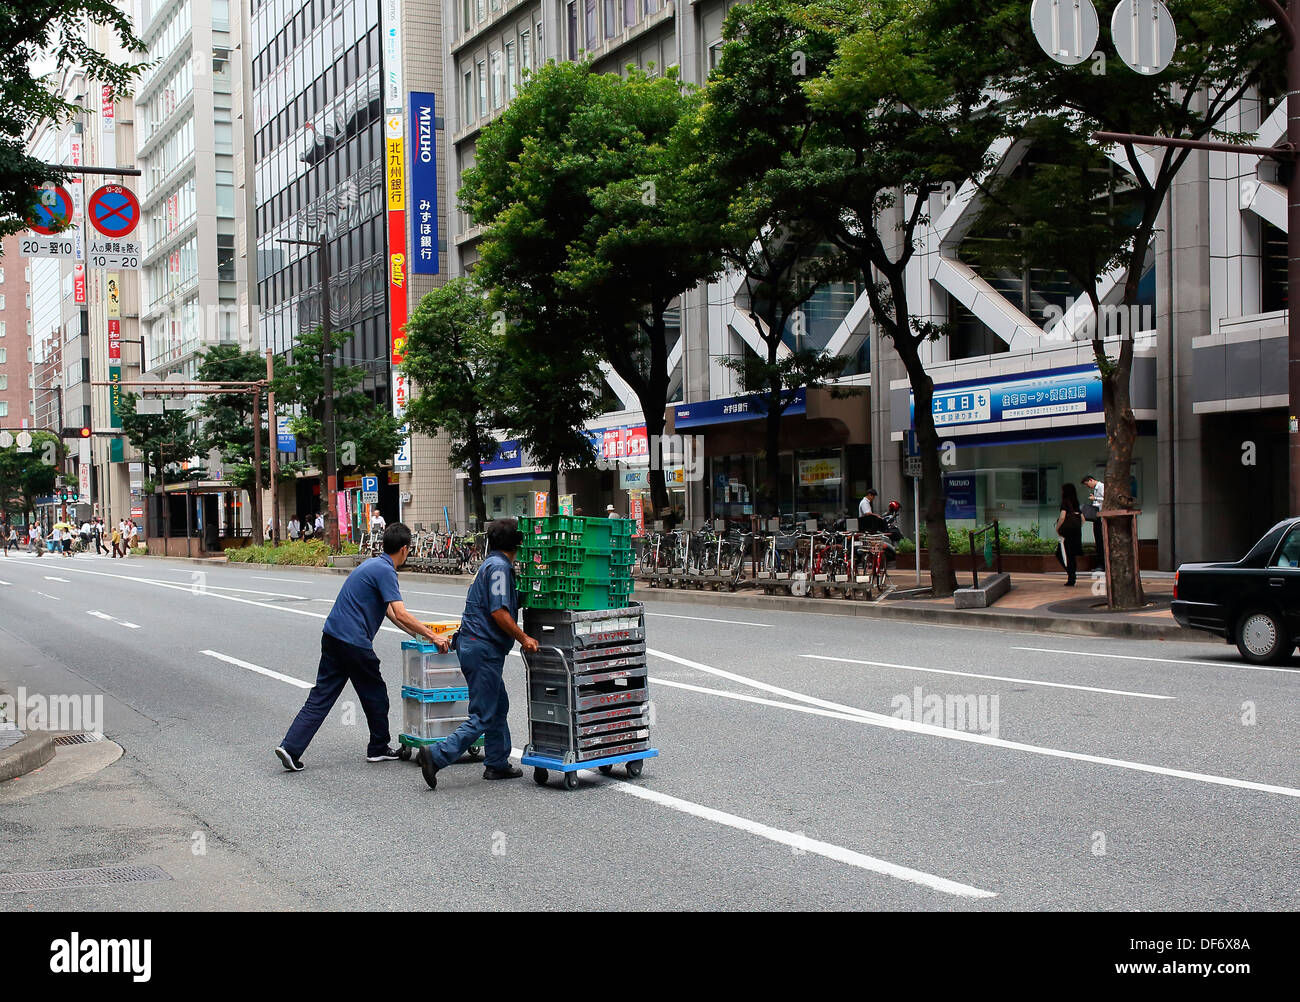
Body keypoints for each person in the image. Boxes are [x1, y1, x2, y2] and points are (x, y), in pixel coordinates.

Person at [276, 523, 449, 771]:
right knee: (376, 695)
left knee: (321, 696)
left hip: (332, 636)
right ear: (404, 549)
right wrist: (433, 636)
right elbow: (400, 611)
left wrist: (419, 634)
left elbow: (392, 614)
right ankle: (378, 747)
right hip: (353, 642)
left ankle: (290, 748)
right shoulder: (386, 571)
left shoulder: (372, 565)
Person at [418, 518, 539, 791]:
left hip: (477, 645)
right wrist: (524, 638)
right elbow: (499, 611)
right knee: (483, 714)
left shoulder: (492, 563)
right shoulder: (498, 567)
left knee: (498, 705)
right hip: (482, 647)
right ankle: (436, 755)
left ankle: (497, 763)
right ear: (517, 542)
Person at [1055, 483, 1084, 587]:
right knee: (1071, 555)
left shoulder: (1065, 502)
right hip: (1076, 532)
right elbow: (1083, 519)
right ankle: (1072, 576)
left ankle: (1071, 574)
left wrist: (1058, 528)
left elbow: (1062, 517)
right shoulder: (1075, 502)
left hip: (1067, 533)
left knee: (1061, 553)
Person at [1081, 474, 1105, 570]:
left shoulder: (1101, 487)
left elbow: (1106, 499)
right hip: (1097, 516)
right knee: (1098, 540)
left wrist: (1095, 498)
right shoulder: (1095, 489)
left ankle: (1102, 564)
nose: (1088, 487)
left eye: (1087, 484)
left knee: (1101, 540)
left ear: (1091, 480)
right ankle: (1099, 564)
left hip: (1102, 516)